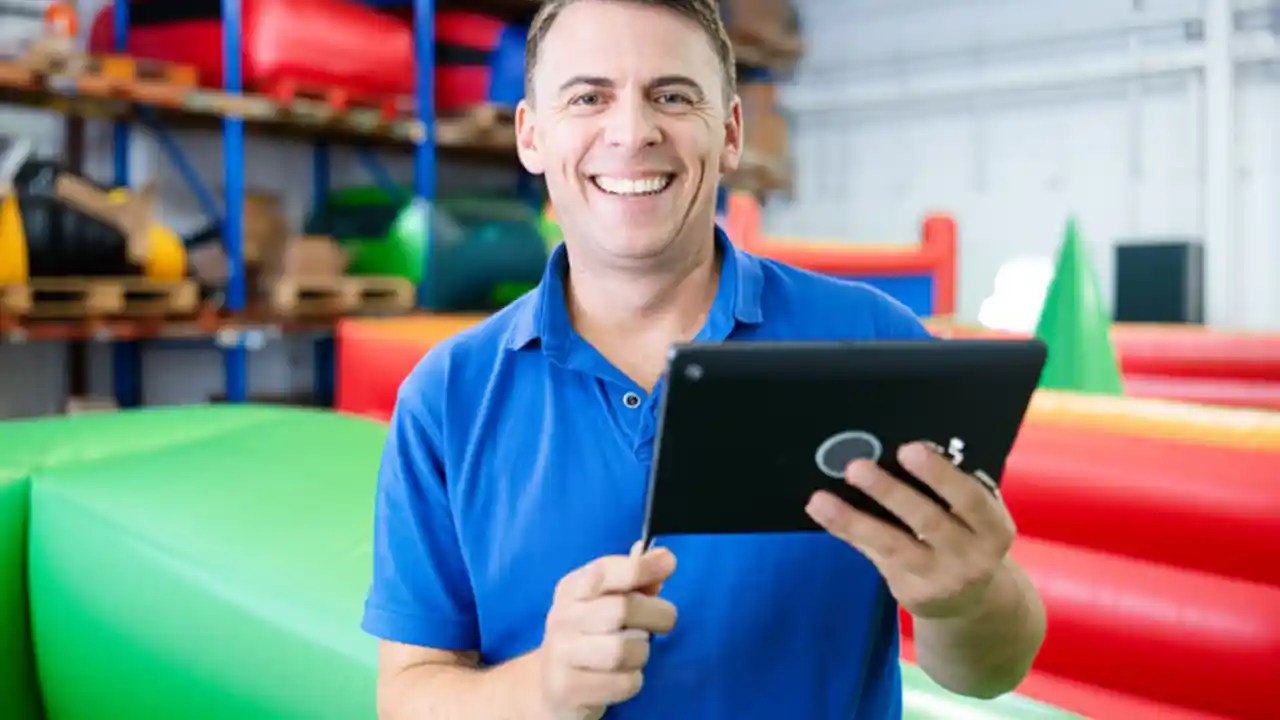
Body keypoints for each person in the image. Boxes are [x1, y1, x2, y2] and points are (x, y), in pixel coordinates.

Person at [361, 1, 1047, 718]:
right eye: (589, 97)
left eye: (672, 96)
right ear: (531, 135)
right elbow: (408, 695)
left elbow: (994, 666)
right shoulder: (448, 397)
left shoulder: (872, 342)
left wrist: (967, 603)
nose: (631, 132)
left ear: (729, 133)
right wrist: (543, 688)